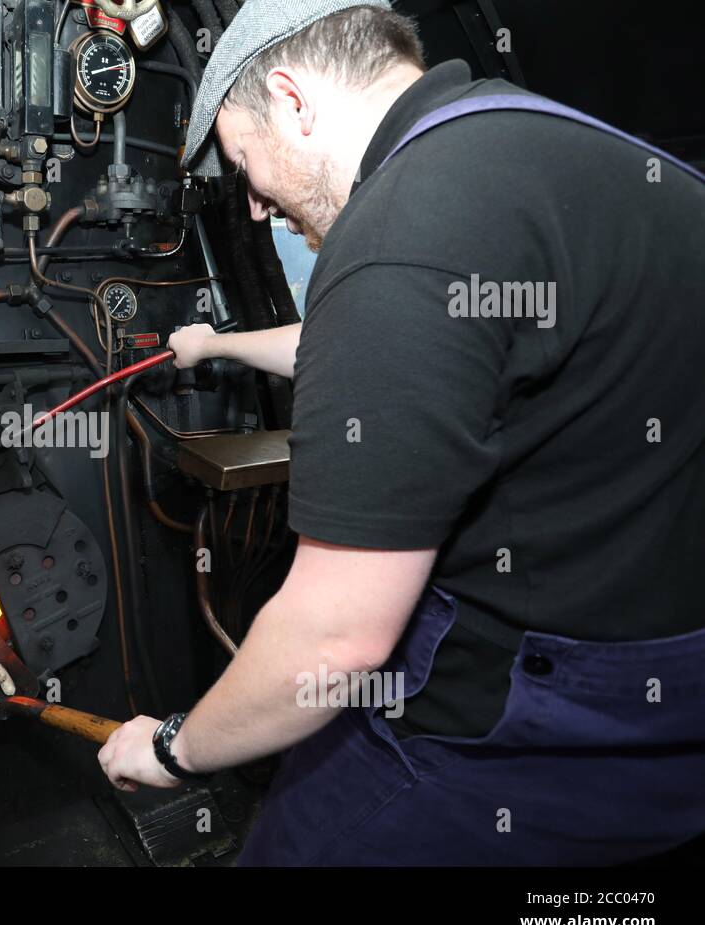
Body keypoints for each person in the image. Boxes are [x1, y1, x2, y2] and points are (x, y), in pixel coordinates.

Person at [100, 0, 705, 864]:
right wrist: (215, 343)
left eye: (244, 163)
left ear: (293, 100)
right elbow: (400, 337)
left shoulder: (398, 234)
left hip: (535, 714)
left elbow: (335, 640)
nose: (261, 205)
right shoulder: (537, 141)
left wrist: (174, 747)